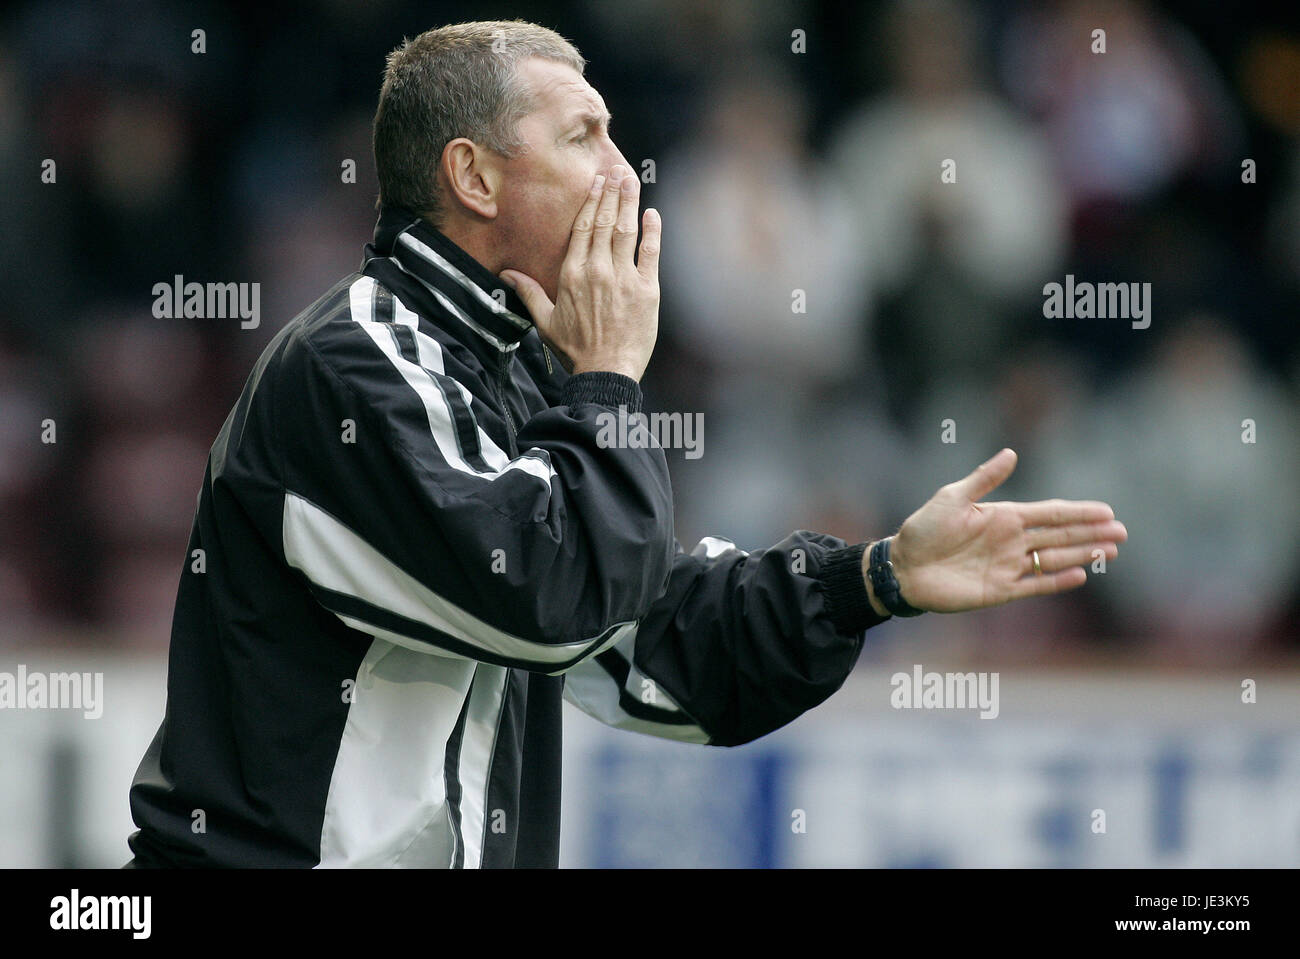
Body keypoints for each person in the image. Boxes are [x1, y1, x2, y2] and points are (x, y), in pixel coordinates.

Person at [124, 20, 1127, 868]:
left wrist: (874, 580)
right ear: (472, 175)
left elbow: (656, 647)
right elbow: (551, 601)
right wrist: (607, 380)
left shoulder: (516, 368)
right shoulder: (356, 364)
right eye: (583, 135)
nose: (621, 167)